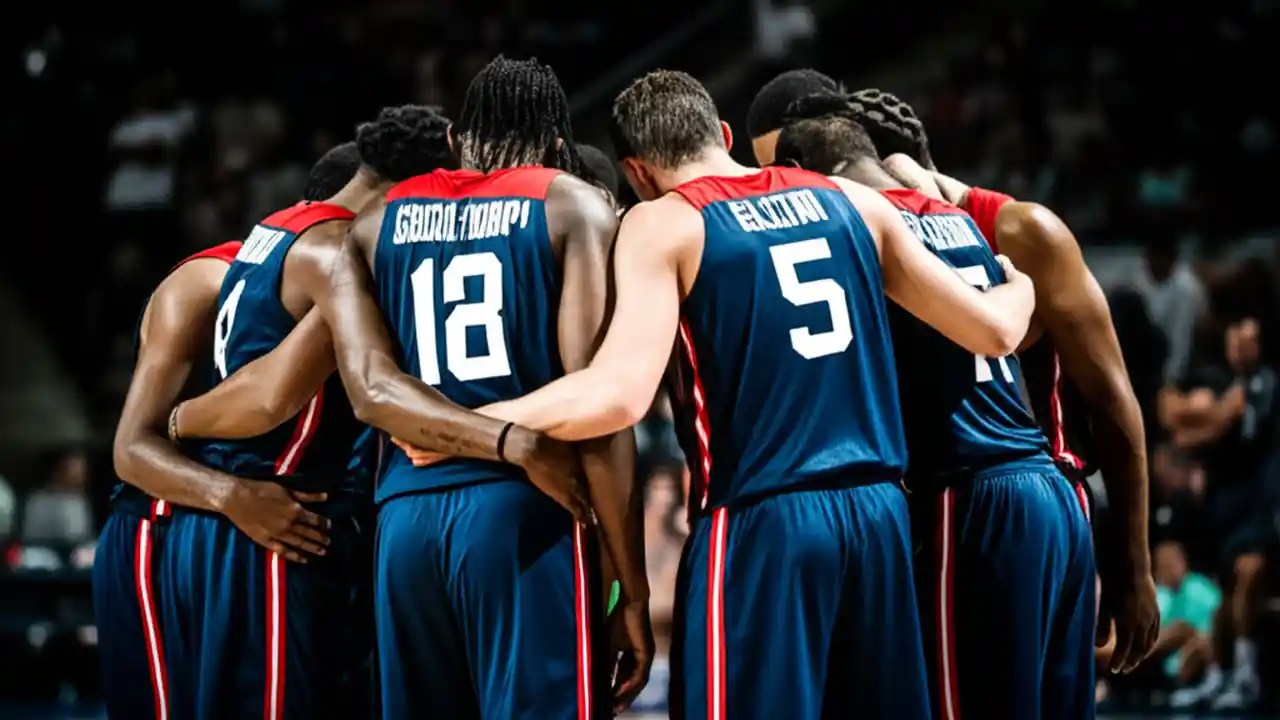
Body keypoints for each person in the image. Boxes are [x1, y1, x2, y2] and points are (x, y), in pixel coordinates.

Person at [429, 68, 1037, 719]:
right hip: (880, 517)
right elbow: (995, 331)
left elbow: (619, 396)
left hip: (764, 519)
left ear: (636, 171)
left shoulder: (664, 221)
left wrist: (470, 422)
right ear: (723, 133)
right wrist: (1019, 287)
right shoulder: (850, 201)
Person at [748, 78, 1159, 675]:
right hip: (1022, 509)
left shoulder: (1013, 229)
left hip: (988, 498)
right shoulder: (921, 229)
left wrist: (1134, 563)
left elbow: (1115, 402)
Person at [152, 105, 523, 720]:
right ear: (411, 190)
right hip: (275, 518)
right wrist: (506, 439)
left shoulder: (279, 227)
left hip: (236, 521)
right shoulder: (338, 251)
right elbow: (274, 395)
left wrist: (187, 426)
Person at [350, 57, 650, 719]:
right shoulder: (570, 202)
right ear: (555, 143)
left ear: (457, 140)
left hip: (404, 520)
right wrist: (630, 590)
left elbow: (371, 389)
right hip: (524, 513)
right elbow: (598, 401)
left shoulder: (375, 222)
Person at [99, 142, 361, 720]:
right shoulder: (202, 284)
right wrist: (232, 495)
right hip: (158, 526)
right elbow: (130, 448)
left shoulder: (323, 288)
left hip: (237, 529)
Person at [1162, 317, 1278, 711]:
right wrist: (1217, 416)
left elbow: (1214, 428)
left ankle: (1248, 677)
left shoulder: (1265, 384)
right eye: (1233, 341)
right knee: (1227, 594)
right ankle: (1222, 674)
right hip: (1227, 513)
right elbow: (1179, 426)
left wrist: (1214, 420)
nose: (1238, 350)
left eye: (1246, 342)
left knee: (1248, 576)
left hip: (1261, 508)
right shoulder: (1224, 383)